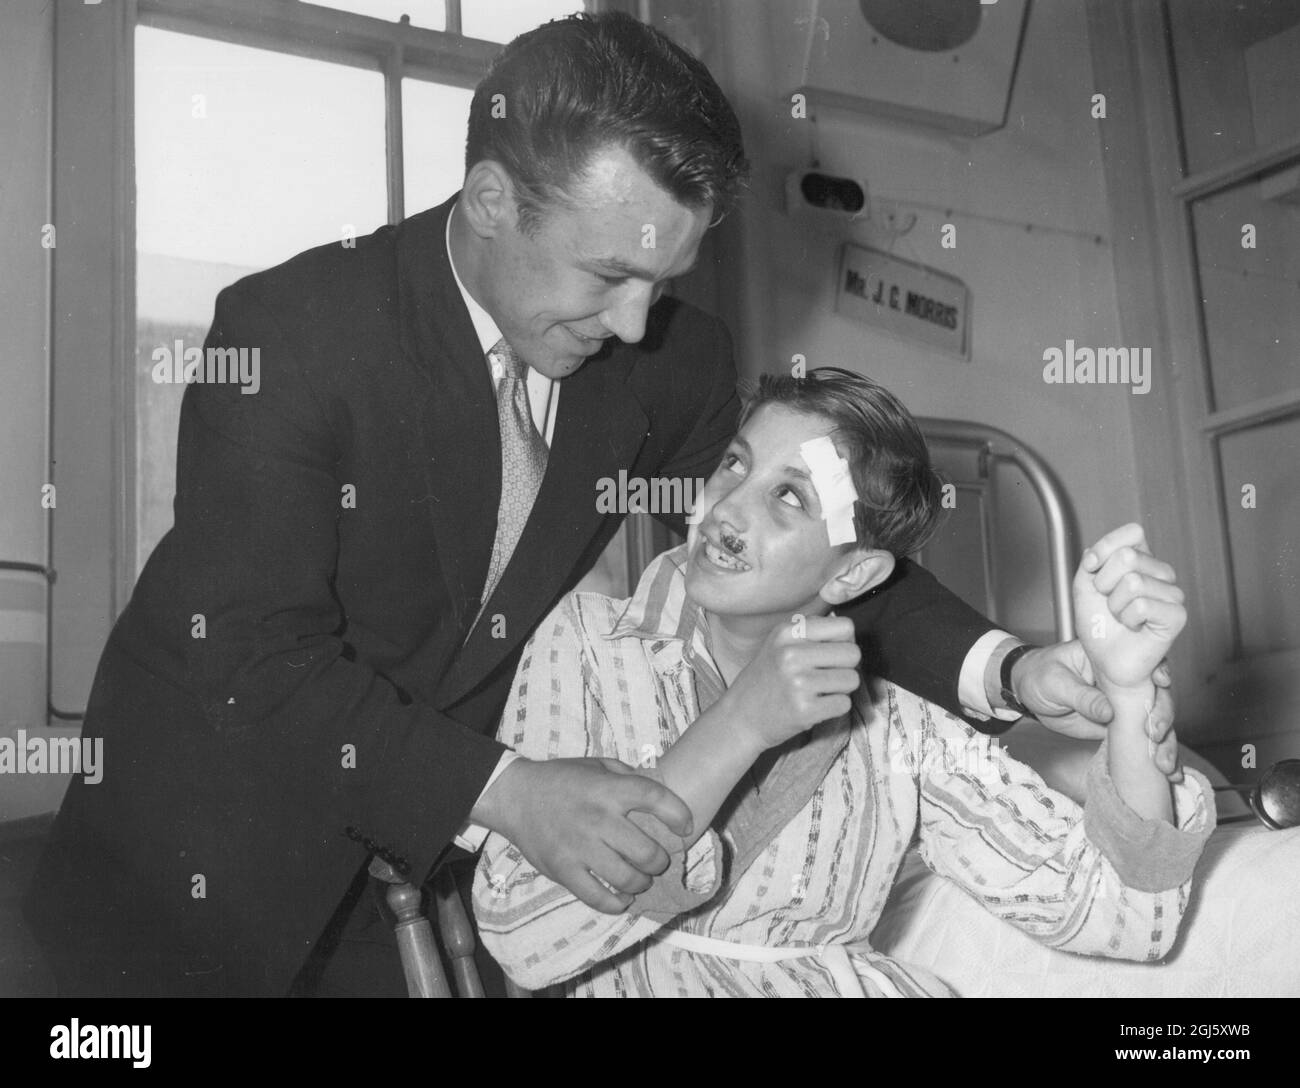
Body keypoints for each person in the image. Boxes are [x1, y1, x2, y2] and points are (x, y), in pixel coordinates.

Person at [26, 12, 1176, 997]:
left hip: (393, 886)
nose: (635, 324)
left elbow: (829, 534)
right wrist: (510, 789)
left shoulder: (662, 363)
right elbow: (251, 655)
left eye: (663, 280)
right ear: (490, 200)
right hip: (195, 859)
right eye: (608, 276)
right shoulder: (296, 336)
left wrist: (1008, 670)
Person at [472, 368, 1214, 997]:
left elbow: (1115, 913)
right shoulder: (588, 646)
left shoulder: (896, 718)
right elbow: (522, 930)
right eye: (734, 464)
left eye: (789, 496)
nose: (728, 508)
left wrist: (1129, 693)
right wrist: (738, 728)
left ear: (854, 573)